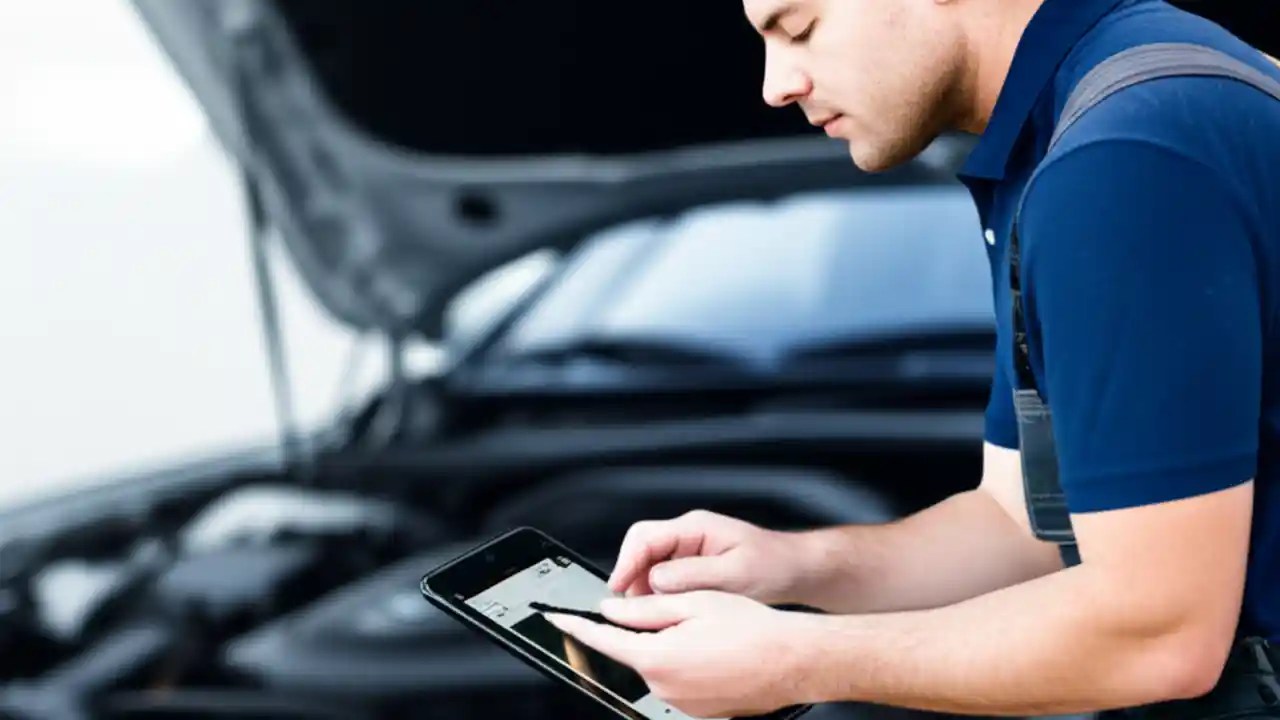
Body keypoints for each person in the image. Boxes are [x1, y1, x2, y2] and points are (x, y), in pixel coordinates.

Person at [544, 0, 1280, 718]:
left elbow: (1158, 635)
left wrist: (798, 659)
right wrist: (797, 568)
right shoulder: (1099, 110)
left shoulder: (1122, 161)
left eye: (799, 27)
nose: (775, 85)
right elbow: (1027, 523)